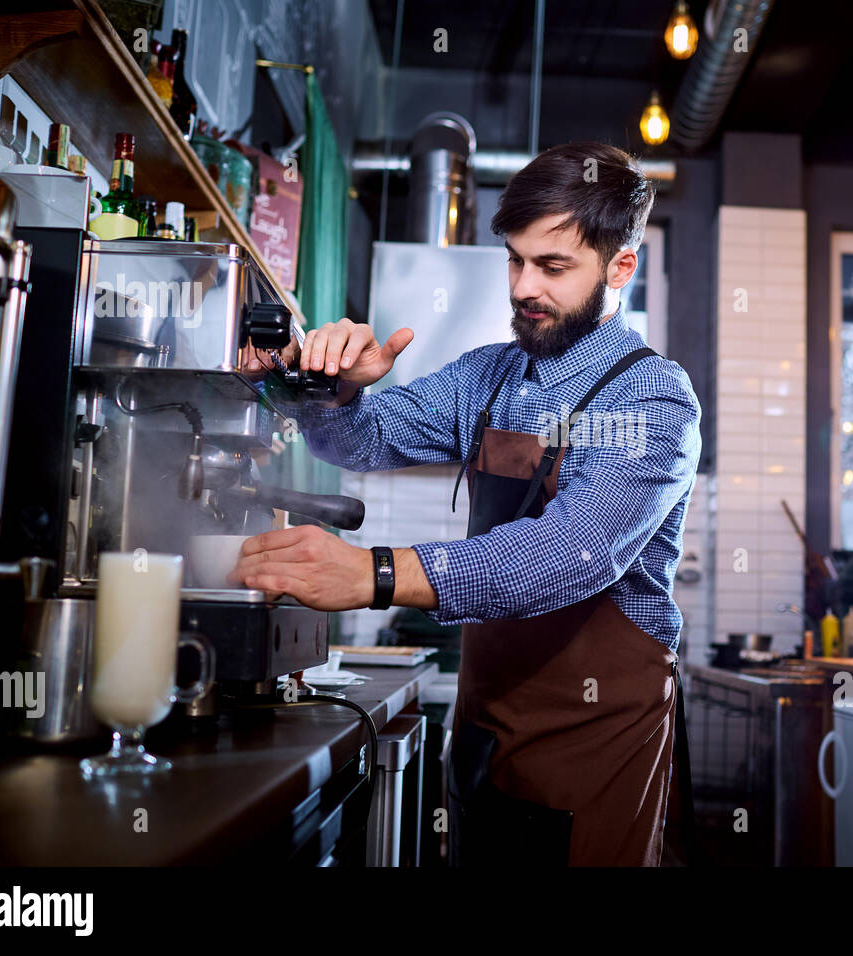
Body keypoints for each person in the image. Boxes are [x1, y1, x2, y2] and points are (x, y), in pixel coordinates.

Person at [232, 142, 702, 867]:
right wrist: (333, 388)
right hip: (484, 732)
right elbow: (365, 441)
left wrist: (375, 574)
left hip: (592, 742)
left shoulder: (650, 398)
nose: (522, 287)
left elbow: (569, 554)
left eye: (552, 267)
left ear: (621, 269)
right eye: (515, 260)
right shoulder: (490, 375)